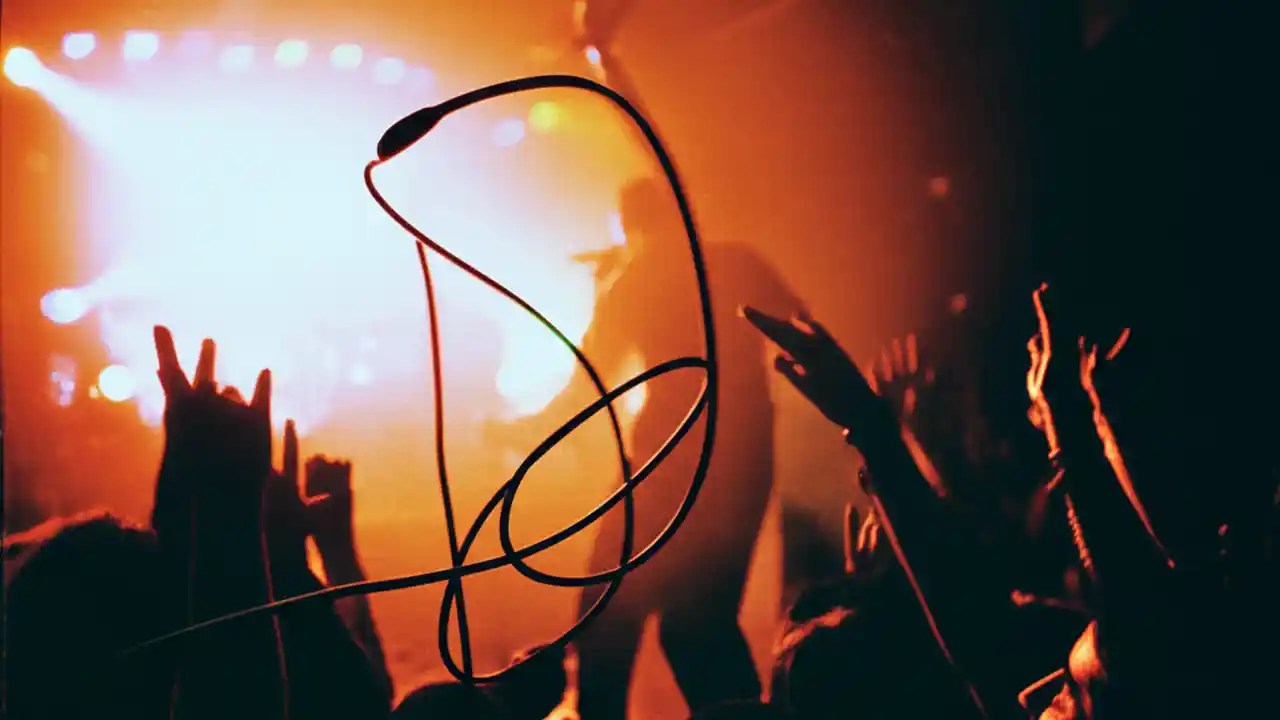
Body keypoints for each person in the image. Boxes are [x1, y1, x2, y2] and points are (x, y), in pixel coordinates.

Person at [504, 177, 804, 718]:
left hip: (666, 466)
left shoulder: (636, 279)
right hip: (742, 468)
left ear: (630, 225)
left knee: (610, 613)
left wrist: (520, 429)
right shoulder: (734, 261)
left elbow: (586, 384)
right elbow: (803, 329)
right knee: (696, 624)